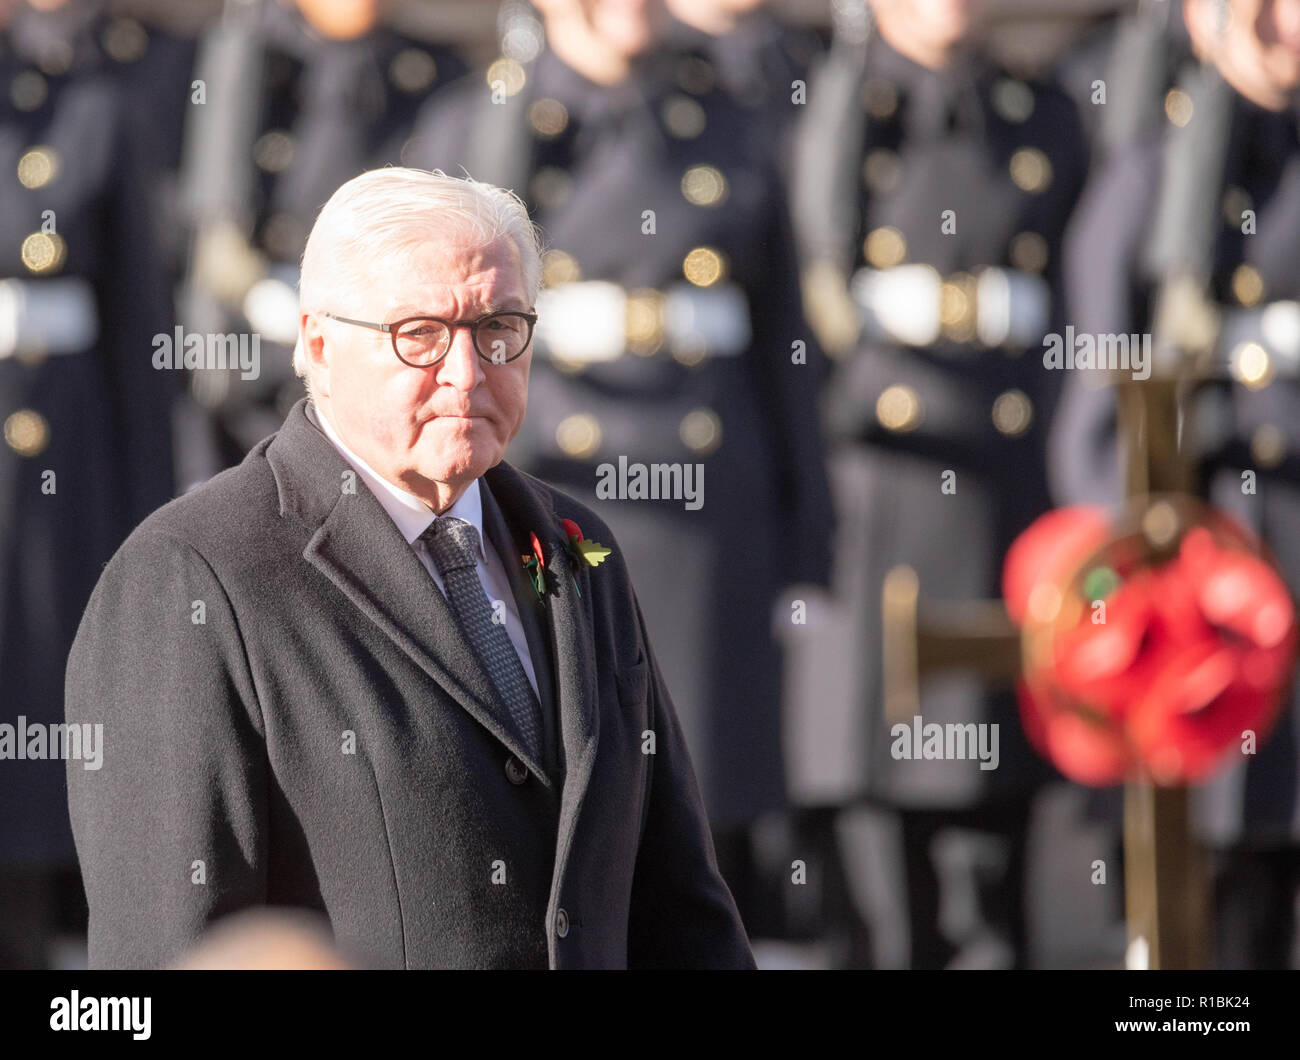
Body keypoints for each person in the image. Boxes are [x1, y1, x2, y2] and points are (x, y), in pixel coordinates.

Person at [65, 167, 754, 970]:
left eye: (499, 328)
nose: (467, 373)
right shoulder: (191, 577)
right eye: (420, 333)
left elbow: (677, 904)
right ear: (318, 344)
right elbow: (166, 951)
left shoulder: (577, 547)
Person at [408, 0, 833, 943]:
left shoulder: (727, 117)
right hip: (552, 486)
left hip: (709, 499)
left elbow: (785, 354)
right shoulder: (477, 127)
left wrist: (808, 540)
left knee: (703, 806)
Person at [788, 0, 1087, 967]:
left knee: (1002, 751)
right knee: (888, 759)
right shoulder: (843, 99)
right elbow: (815, 273)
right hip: (889, 465)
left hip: (1007, 464)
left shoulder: (1036, 107)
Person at [1050, 0, 1300, 969]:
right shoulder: (1151, 180)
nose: (1287, 26)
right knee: (1213, 896)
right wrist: (1129, 598)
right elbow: (1098, 429)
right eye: (1263, 6)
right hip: (1217, 564)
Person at [0, 0, 175, 968]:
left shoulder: (86, 103)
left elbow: (134, 334)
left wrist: (151, 515)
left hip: (60, 448)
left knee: (46, 690)